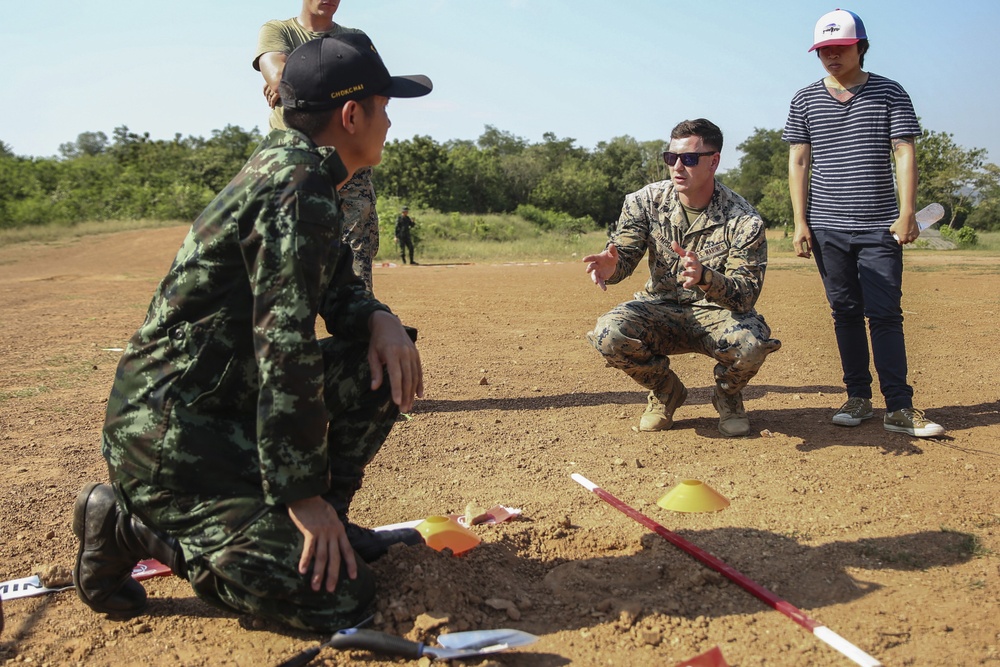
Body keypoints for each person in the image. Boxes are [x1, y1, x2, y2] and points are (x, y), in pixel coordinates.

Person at [73, 33, 433, 633]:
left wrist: (382, 320)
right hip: (173, 440)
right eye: (383, 105)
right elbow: (283, 344)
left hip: (221, 407)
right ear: (351, 115)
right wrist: (301, 495)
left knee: (378, 366)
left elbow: (338, 289)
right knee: (338, 601)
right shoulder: (296, 189)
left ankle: (324, 530)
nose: (391, 120)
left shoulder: (300, 171)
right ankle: (130, 525)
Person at [783, 8, 944, 438]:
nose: (831, 56)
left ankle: (899, 407)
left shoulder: (890, 93)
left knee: (886, 313)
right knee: (845, 313)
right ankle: (857, 397)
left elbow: (904, 151)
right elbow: (799, 161)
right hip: (826, 226)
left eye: (839, 48)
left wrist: (906, 211)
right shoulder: (804, 99)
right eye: (823, 50)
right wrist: (801, 222)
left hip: (879, 226)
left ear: (860, 46)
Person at [585, 119, 780, 437]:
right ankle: (665, 391)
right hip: (659, 308)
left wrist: (706, 277)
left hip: (716, 313)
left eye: (689, 159)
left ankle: (727, 396)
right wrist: (613, 266)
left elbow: (745, 296)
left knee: (752, 342)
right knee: (609, 332)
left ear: (713, 161)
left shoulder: (744, 220)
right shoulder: (644, 202)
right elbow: (625, 254)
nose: (677, 166)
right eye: (670, 157)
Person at [254, 0, 380, 292]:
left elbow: (373, 95)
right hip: (297, 163)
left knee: (357, 267)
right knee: (291, 261)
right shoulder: (278, 31)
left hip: (349, 165)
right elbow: (279, 79)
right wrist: (343, 86)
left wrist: (297, 81)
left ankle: (358, 331)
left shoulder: (355, 39)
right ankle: (291, 335)